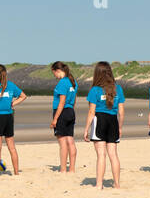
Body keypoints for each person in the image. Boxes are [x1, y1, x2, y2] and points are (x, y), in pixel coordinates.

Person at [83, 61, 125, 189]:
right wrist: (120, 127)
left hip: (99, 120)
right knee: (113, 154)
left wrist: (86, 129)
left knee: (101, 154)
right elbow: (121, 111)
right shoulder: (118, 88)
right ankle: (117, 184)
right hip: (113, 120)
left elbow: (91, 112)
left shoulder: (95, 90)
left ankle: (99, 184)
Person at [50, 61, 78, 174]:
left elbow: (61, 102)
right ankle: (72, 168)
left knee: (62, 143)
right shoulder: (73, 81)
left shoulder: (62, 83)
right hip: (70, 111)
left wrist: (55, 119)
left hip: (62, 112)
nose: (55, 76)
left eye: (54, 74)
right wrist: (71, 111)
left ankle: (63, 169)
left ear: (57, 71)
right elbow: (74, 100)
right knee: (70, 140)